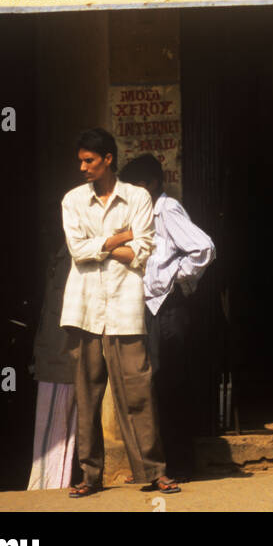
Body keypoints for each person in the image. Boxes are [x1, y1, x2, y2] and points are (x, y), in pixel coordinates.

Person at [59, 127, 179, 498]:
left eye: (89, 160)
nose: (83, 167)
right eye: (80, 161)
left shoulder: (138, 197)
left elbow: (142, 252)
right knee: (87, 395)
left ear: (108, 159)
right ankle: (89, 476)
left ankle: (153, 471)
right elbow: (77, 251)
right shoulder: (73, 201)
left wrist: (104, 246)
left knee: (138, 391)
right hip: (84, 309)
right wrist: (117, 240)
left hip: (126, 310)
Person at [119, 154, 215, 483]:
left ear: (154, 185)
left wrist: (177, 280)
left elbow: (203, 248)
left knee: (169, 384)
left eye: (138, 187)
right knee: (152, 386)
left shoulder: (166, 209)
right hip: (147, 308)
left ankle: (179, 464)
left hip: (167, 309)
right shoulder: (139, 216)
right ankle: (159, 466)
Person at [27, 242, 78, 491]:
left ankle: (49, 486)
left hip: (62, 356)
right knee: (58, 427)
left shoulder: (73, 255)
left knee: (57, 428)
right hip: (56, 355)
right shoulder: (63, 254)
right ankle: (49, 484)